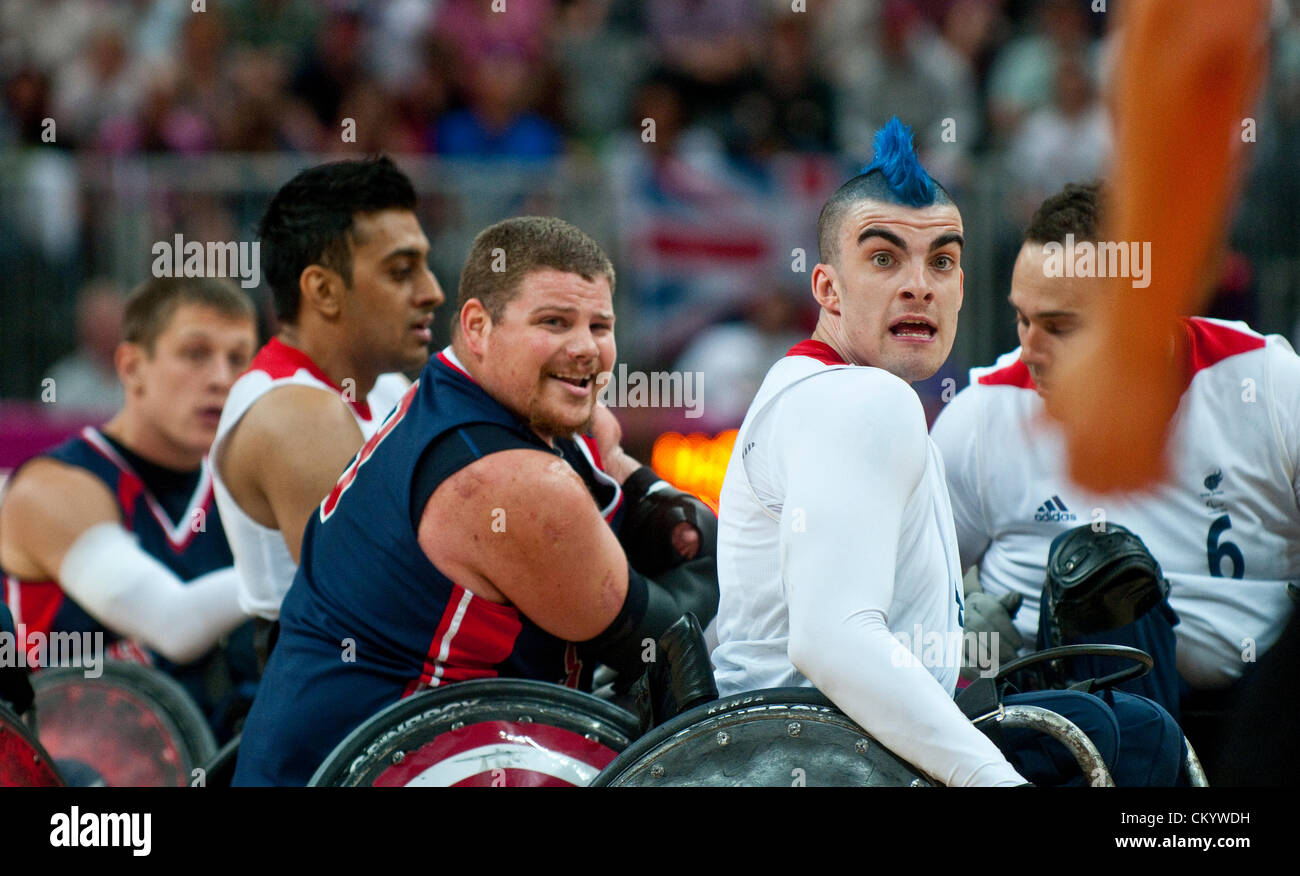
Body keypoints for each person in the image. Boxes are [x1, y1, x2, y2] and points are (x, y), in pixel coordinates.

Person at [710, 119, 1183, 787]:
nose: (919, 286)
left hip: (796, 747)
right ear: (826, 289)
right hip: (823, 757)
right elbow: (832, 640)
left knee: (1119, 721)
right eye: (883, 258)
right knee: (1132, 735)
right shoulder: (866, 401)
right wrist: (993, 781)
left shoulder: (808, 388)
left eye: (942, 260)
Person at [233, 216, 718, 786]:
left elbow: (653, 505)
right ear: (478, 326)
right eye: (554, 322)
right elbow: (661, 639)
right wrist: (685, 537)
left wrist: (668, 518)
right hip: (359, 771)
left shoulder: (488, 394)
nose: (585, 349)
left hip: (356, 752)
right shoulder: (509, 480)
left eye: (600, 325)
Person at [931, 181, 1300, 721]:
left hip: (1250, 720)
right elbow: (888, 608)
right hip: (1073, 725)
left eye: (1059, 326)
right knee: (1100, 573)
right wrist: (951, 635)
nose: (1028, 351)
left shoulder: (1270, 387)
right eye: (1022, 319)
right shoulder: (982, 417)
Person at [210, 156, 444, 669]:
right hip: (333, 713)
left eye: (424, 266)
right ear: (322, 289)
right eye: (402, 271)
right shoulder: (295, 414)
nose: (432, 292)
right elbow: (387, 610)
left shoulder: (385, 389)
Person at [0, 277, 259, 739]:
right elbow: (174, 624)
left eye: (238, 359)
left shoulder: (236, 486)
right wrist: (309, 562)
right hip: (67, 774)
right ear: (132, 366)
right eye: (196, 354)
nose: (222, 378)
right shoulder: (53, 487)